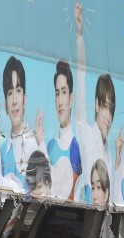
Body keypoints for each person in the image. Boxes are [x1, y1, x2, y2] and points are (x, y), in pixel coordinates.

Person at [73, 2, 119, 206]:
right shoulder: (85, 133)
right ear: (97, 106)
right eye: (105, 107)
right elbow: (81, 77)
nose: (108, 117)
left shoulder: (107, 149)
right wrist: (80, 35)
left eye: (112, 109)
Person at [0, 56, 46, 193]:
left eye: (18, 90)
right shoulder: (2, 152)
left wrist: (40, 141)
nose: (14, 101)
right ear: (6, 105)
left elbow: (49, 188)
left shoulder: (36, 142)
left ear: (25, 99)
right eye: (10, 93)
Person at [47, 60, 82, 200]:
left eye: (64, 92)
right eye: (57, 94)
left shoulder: (76, 147)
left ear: (71, 99)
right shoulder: (50, 146)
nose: (60, 101)